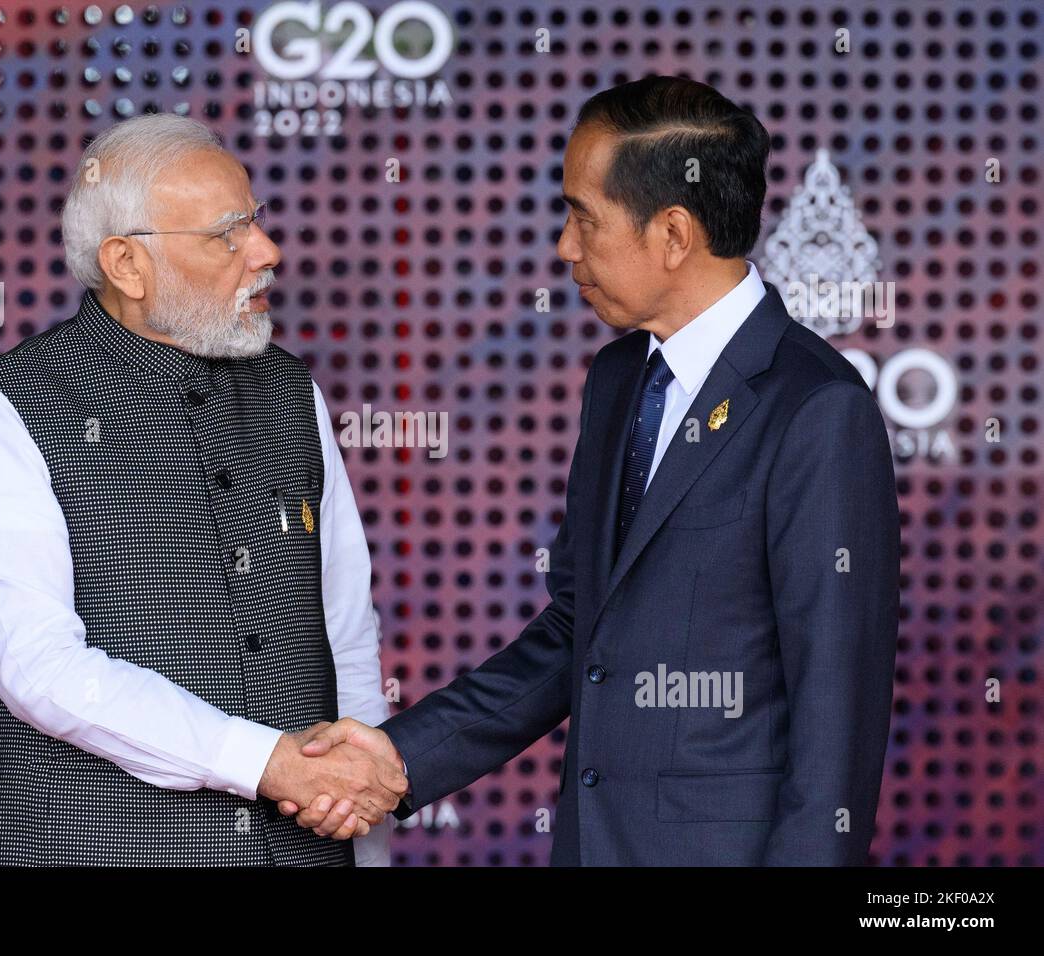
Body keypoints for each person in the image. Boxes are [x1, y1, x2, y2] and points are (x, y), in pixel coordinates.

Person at [282, 76, 900, 866]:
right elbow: (579, 633)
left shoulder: (816, 409)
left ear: (673, 233)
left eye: (584, 216)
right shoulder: (618, 381)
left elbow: (836, 710)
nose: (564, 247)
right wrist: (399, 759)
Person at [0, 113, 405, 866]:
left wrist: (356, 814)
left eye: (256, 222)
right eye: (228, 234)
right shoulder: (9, 407)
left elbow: (343, 626)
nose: (267, 252)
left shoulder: (290, 390)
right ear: (126, 264)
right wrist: (263, 761)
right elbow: (41, 668)